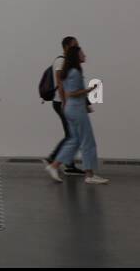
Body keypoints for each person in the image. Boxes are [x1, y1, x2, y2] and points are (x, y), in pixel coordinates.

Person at [46, 45, 108, 185]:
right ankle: (90, 174)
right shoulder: (75, 72)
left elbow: (67, 92)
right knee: (88, 142)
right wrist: (89, 89)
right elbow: (71, 93)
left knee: (74, 141)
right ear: (76, 56)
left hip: (72, 109)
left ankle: (54, 165)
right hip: (76, 110)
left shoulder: (70, 71)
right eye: (82, 53)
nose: (84, 55)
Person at [44, 36, 83, 175]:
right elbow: (61, 84)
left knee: (71, 134)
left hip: (65, 102)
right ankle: (53, 159)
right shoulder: (61, 61)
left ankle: (68, 164)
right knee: (72, 135)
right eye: (75, 45)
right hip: (61, 103)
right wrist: (65, 104)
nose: (78, 47)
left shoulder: (68, 61)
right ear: (67, 46)